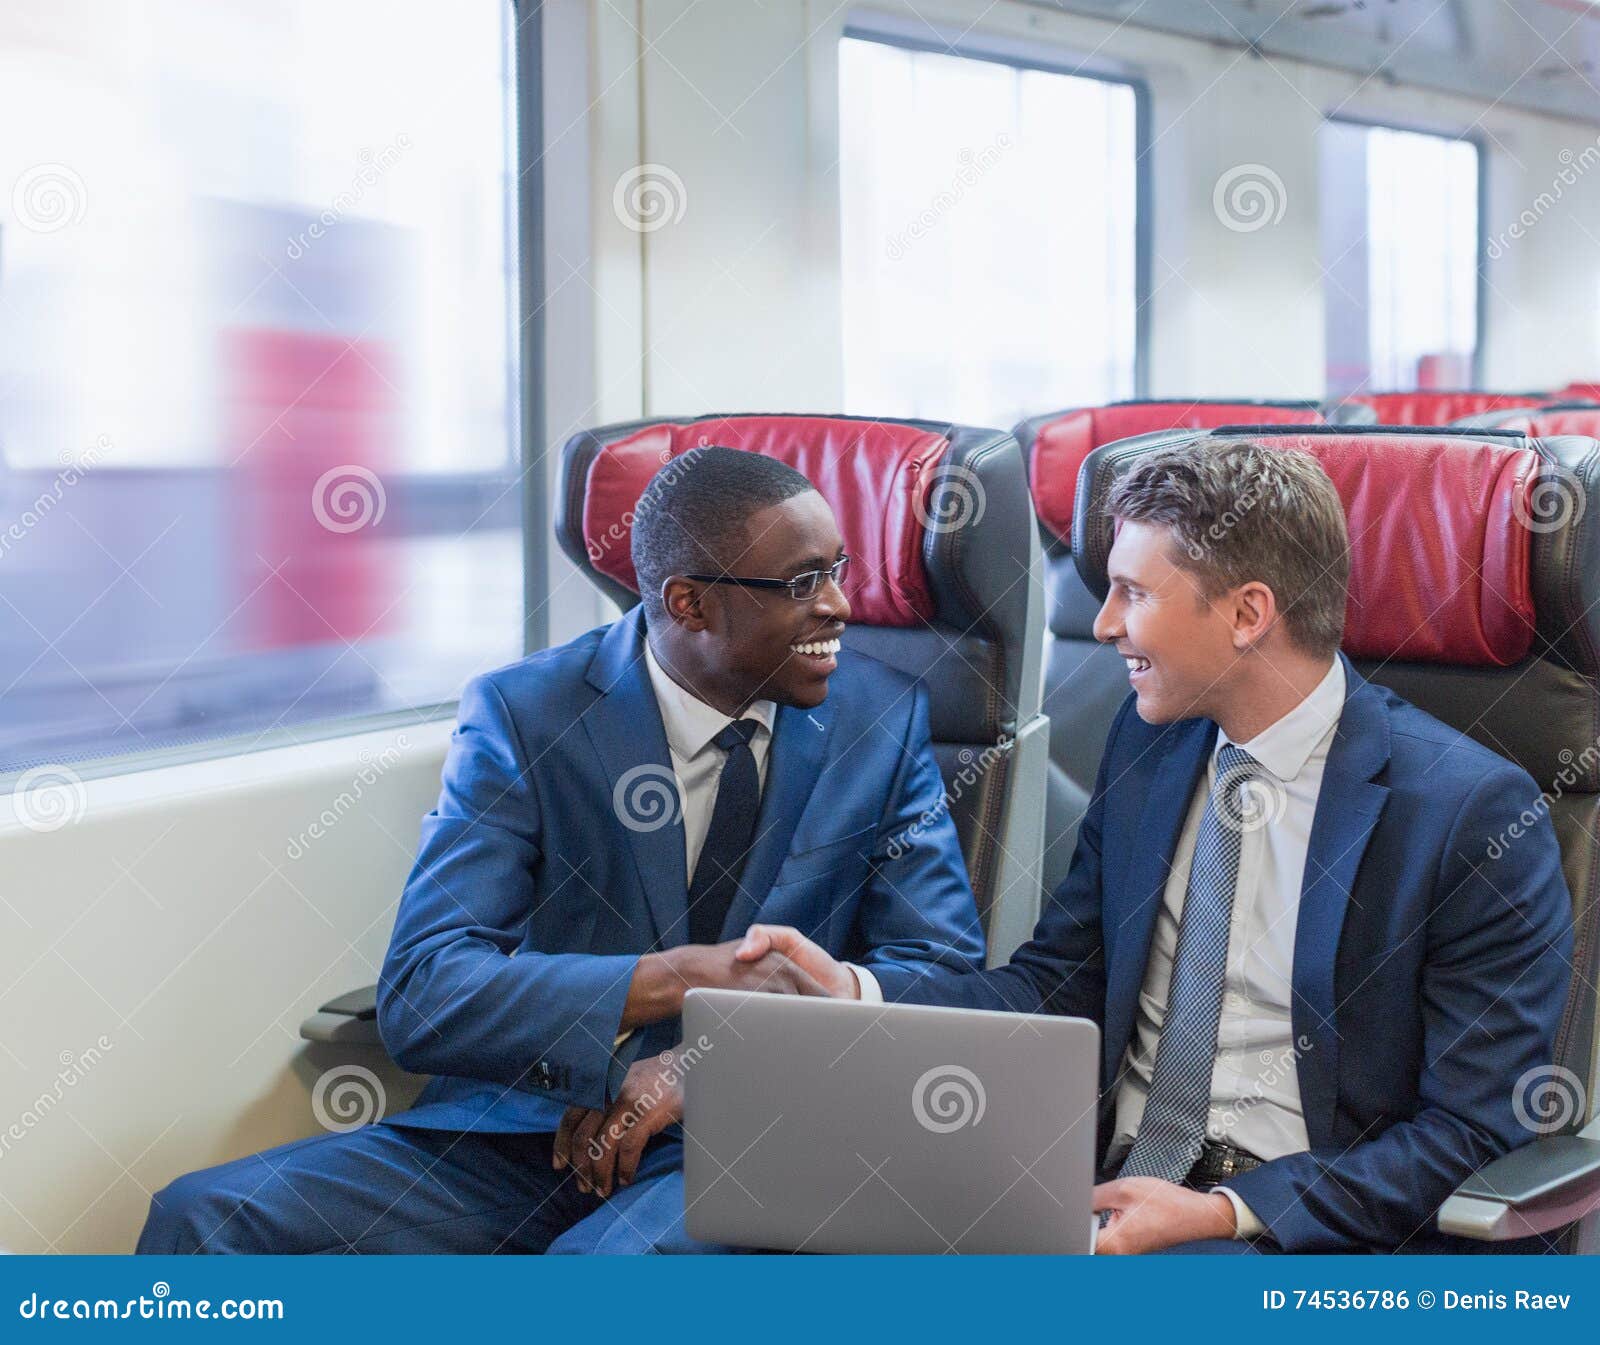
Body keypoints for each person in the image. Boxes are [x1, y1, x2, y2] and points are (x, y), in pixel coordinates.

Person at [137, 446, 983, 1254]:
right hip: (531, 1128)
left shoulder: (881, 719)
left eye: (839, 570)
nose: (838, 605)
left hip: (753, 1133)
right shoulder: (529, 713)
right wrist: (661, 1001)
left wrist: (704, 1069)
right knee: (208, 1220)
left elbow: (943, 973)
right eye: (803, 582)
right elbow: (425, 991)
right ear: (688, 603)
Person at [740, 439, 1574, 1254]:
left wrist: (1225, 1211)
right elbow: (1058, 986)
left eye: (1133, 593)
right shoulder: (1150, 749)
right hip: (1099, 1193)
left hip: (1297, 1231)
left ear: (1249, 613)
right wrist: (855, 990)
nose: (1102, 626)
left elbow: (1470, 1132)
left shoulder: (1467, 814)